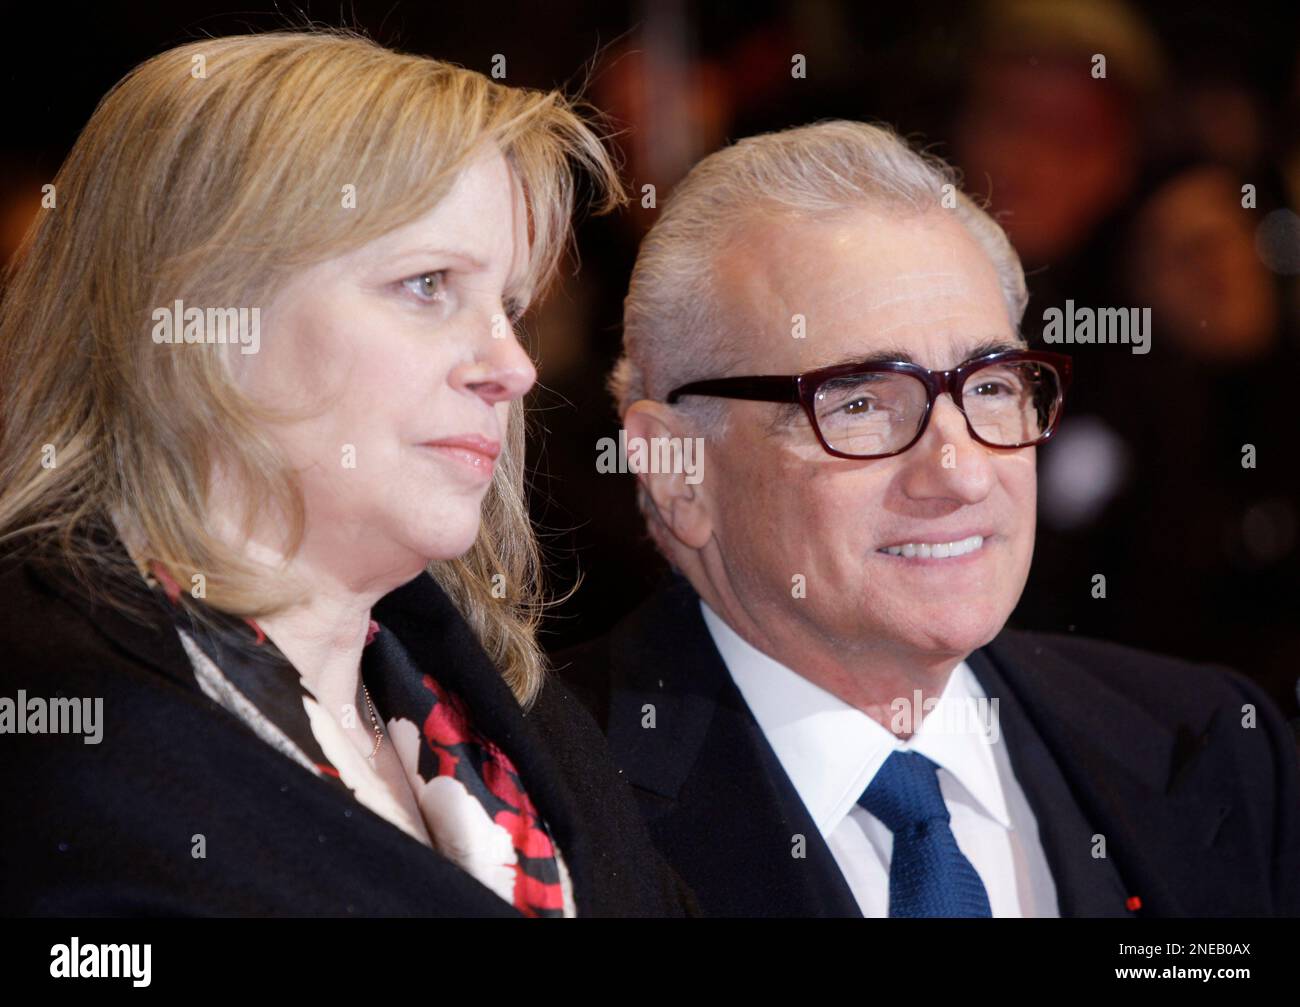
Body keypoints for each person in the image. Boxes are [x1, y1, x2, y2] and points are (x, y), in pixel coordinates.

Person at [0, 29, 693, 917]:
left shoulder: (510, 708)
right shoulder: (60, 729)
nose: (513, 366)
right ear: (206, 312)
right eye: (427, 284)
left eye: (511, 306)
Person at [556, 120, 1300, 917]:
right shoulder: (541, 807)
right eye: (863, 402)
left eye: (989, 386)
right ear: (679, 474)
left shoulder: (1219, 750)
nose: (961, 470)